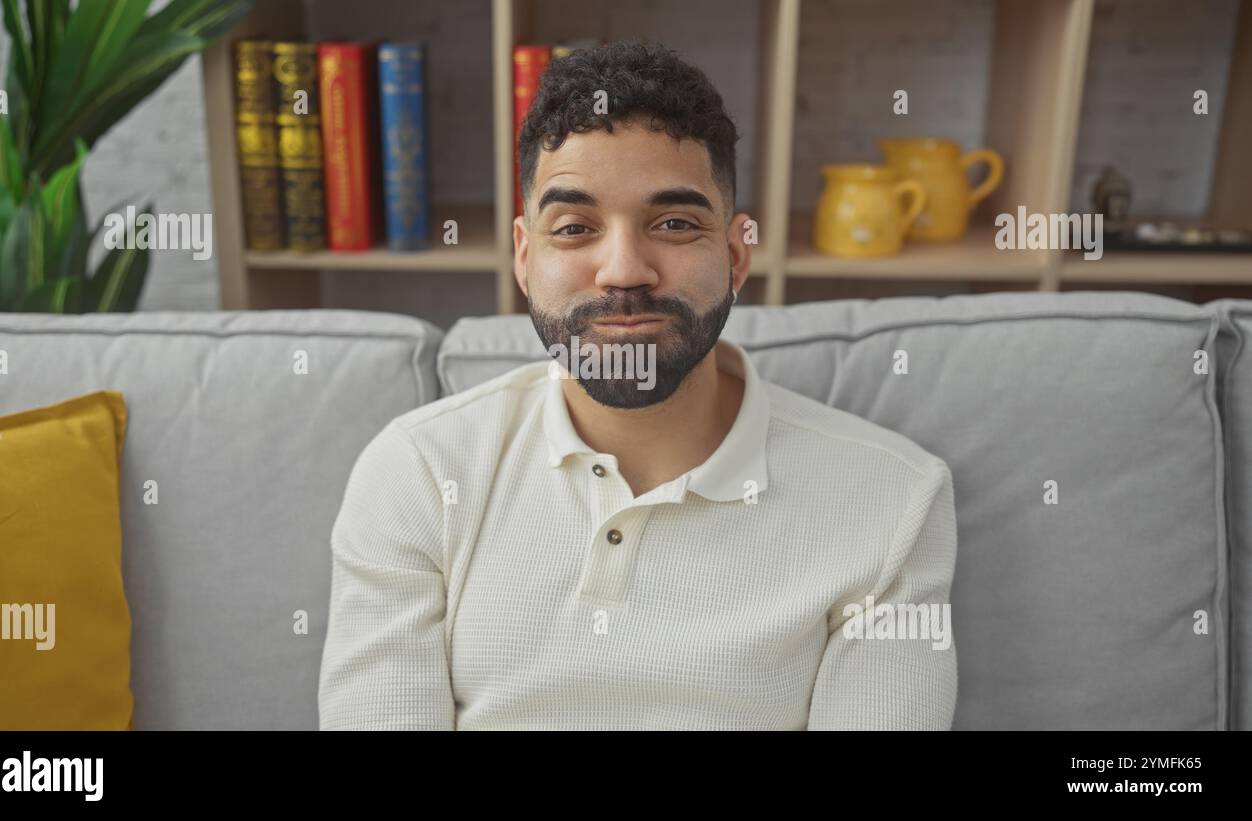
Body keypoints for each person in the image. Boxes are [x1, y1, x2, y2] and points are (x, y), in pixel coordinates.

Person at [318, 40, 958, 730]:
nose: (624, 270)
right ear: (525, 258)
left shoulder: (893, 499)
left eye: (674, 223)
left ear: (737, 255)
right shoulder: (417, 473)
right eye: (575, 227)